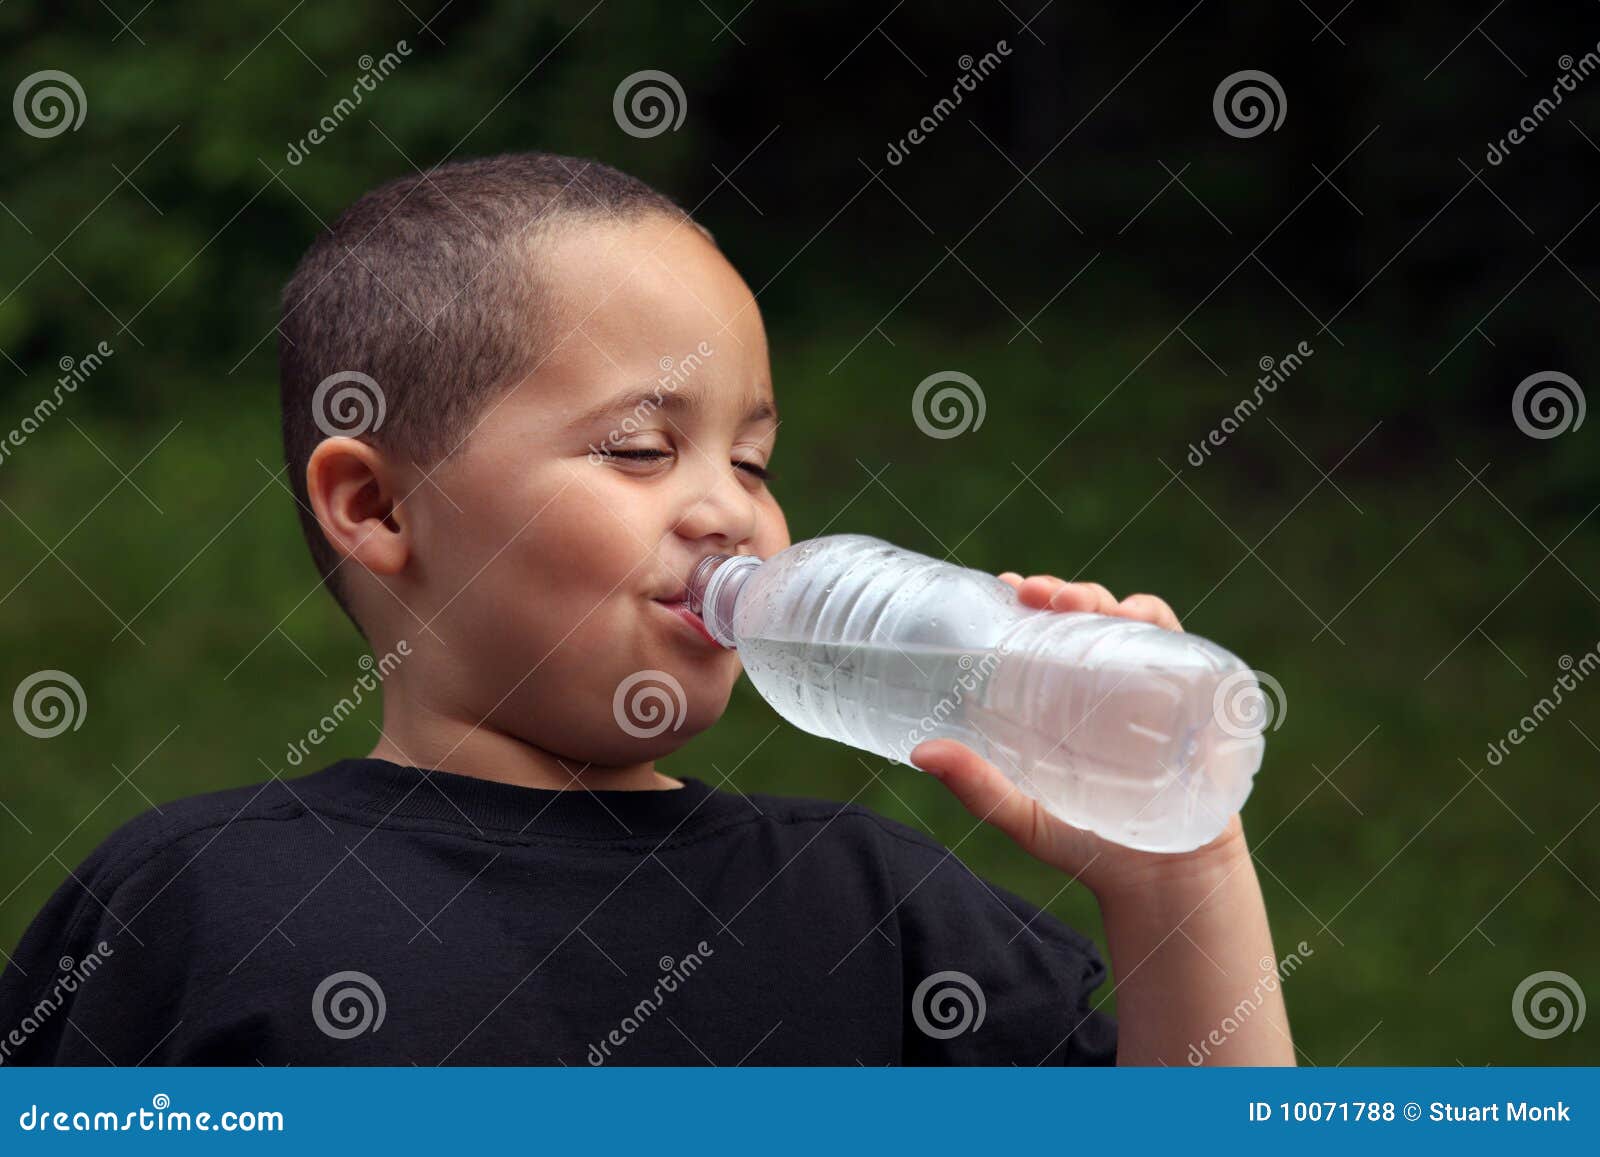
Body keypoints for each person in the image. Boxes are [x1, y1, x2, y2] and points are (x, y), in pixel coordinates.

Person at [0, 153, 1292, 1066]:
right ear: (380, 508)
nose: (728, 511)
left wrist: (1183, 885)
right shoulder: (206, 901)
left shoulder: (881, 912)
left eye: (754, 460)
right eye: (637, 448)